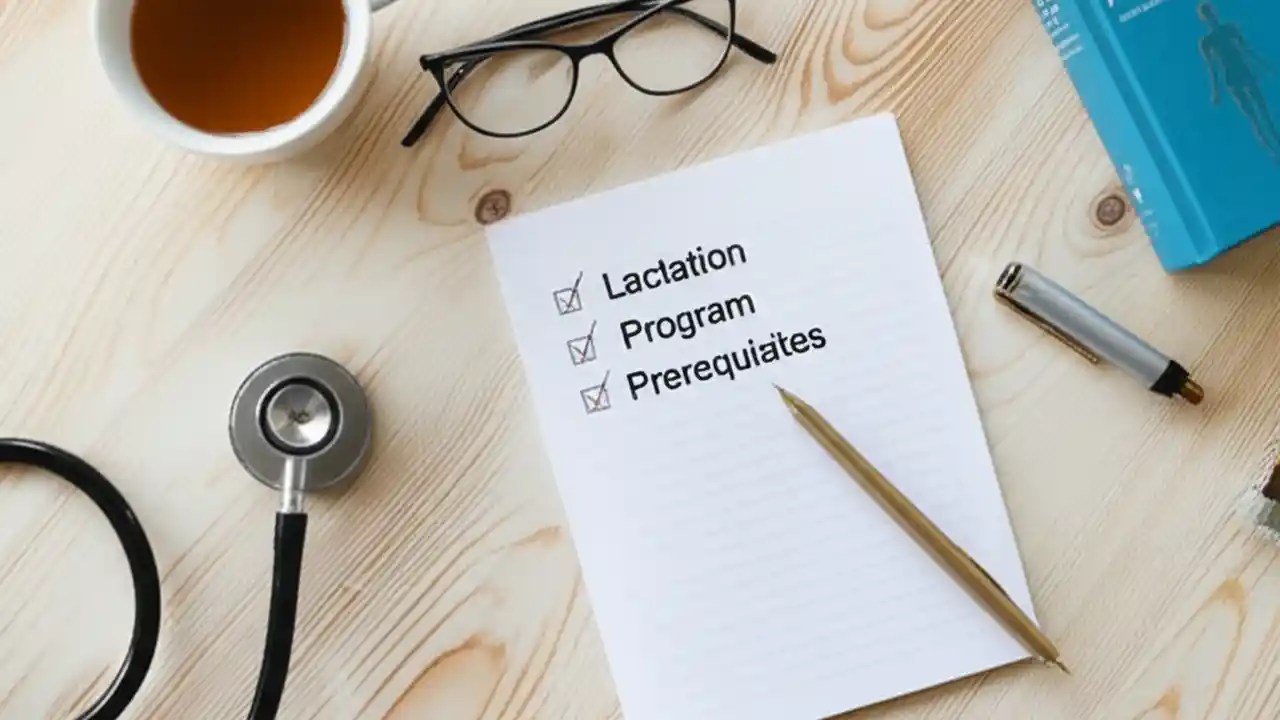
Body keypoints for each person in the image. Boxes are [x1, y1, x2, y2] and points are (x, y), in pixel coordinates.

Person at [1199, 1, 1280, 161]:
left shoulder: (1229, 29)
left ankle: (1276, 144)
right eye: (1208, 15)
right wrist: (1215, 90)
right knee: (1254, 116)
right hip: (1232, 76)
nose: (1211, 17)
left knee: (1263, 112)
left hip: (1242, 70)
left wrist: (1264, 66)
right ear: (1205, 18)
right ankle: (1274, 151)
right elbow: (1212, 67)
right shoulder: (1207, 41)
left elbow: (1247, 50)